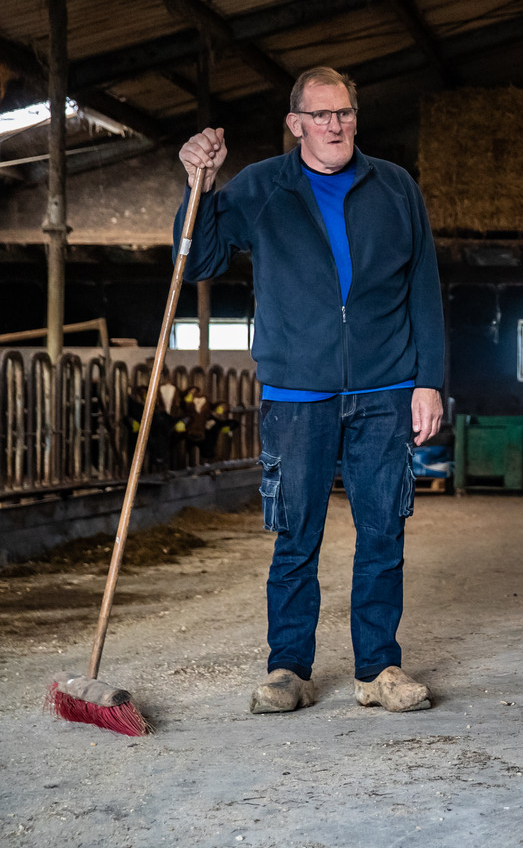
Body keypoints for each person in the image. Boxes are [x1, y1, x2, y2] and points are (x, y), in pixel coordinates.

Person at [176, 66, 445, 715]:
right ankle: (289, 668)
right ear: (296, 123)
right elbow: (202, 260)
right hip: (297, 393)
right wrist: (199, 187)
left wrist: (430, 381)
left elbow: (425, 290)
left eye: (345, 113)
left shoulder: (395, 187)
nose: (336, 125)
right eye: (321, 116)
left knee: (383, 531)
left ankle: (379, 668)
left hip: (386, 386)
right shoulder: (264, 185)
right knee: (297, 535)